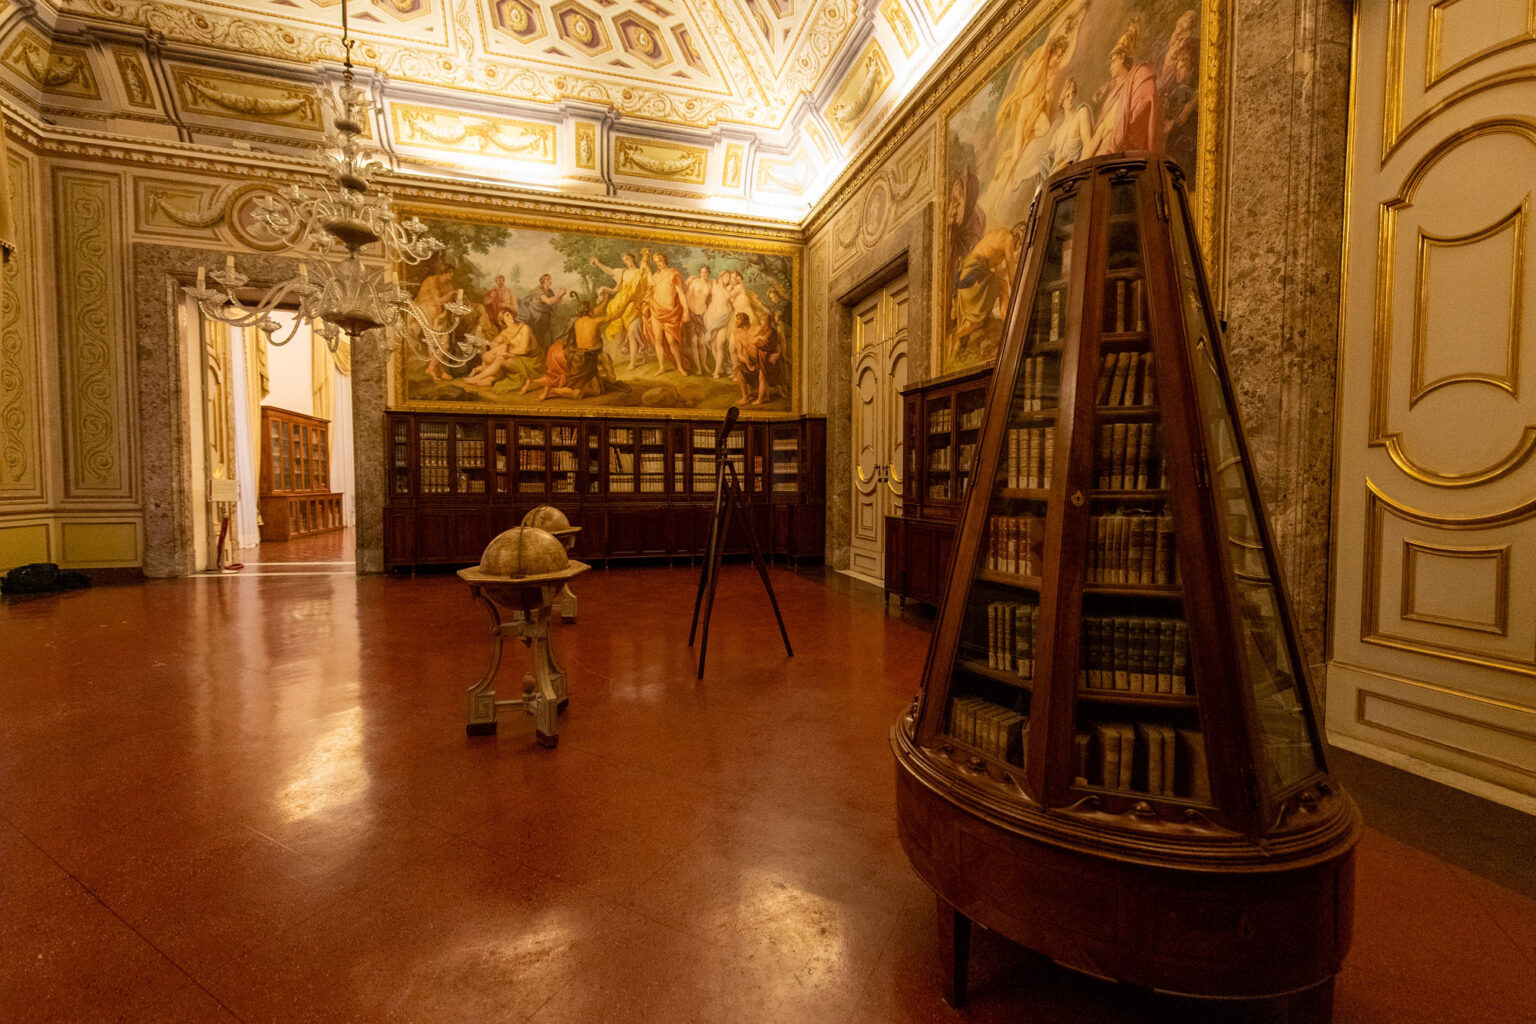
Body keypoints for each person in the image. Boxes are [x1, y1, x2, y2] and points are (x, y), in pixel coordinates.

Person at [1086, 22, 1162, 157]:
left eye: (1114, 61)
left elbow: (1141, 115)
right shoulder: (1113, 93)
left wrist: (1115, 142)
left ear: (1122, 59)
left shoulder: (1141, 75)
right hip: (1102, 156)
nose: (1110, 66)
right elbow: (1100, 133)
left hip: (1121, 156)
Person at [589, 251, 651, 369]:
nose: (626, 262)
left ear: (632, 258)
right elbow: (614, 285)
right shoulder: (622, 272)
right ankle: (645, 353)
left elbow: (644, 289)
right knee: (632, 332)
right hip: (622, 304)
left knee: (633, 332)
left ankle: (633, 362)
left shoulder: (640, 272)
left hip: (634, 304)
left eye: (627, 259)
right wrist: (604, 288)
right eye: (624, 260)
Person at [463, 311, 538, 388]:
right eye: (507, 315)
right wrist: (495, 345)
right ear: (503, 320)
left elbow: (523, 350)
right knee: (499, 357)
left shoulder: (524, 328)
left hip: (531, 360)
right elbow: (494, 343)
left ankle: (476, 378)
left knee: (500, 358)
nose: (511, 316)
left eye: (511, 314)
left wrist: (504, 352)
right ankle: (488, 379)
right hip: (516, 357)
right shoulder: (504, 333)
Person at [646, 252, 691, 374]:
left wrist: (686, 310)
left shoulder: (673, 274)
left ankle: (680, 367)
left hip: (669, 312)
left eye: (660, 261)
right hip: (655, 310)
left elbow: (681, 294)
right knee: (658, 340)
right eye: (656, 262)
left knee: (671, 341)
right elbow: (650, 288)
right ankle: (661, 367)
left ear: (665, 260)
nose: (658, 264)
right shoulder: (655, 276)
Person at [413, 266, 458, 381]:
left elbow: (449, 303)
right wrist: (451, 294)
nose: (452, 275)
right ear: (443, 272)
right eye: (450, 272)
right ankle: (439, 371)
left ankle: (432, 368)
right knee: (433, 343)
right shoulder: (432, 280)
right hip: (427, 311)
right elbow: (438, 301)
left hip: (440, 315)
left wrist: (457, 299)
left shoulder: (449, 285)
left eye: (452, 273)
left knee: (445, 344)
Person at [1044, 78, 1093, 174]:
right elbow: (1047, 160)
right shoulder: (1057, 132)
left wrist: (1080, 172)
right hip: (1056, 178)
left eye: (1073, 93)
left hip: (1073, 175)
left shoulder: (1081, 114)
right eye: (1067, 95)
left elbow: (1088, 145)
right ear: (1061, 100)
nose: (1071, 97)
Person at [523, 273, 568, 350]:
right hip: (537, 315)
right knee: (539, 335)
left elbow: (557, 302)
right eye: (548, 279)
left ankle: (548, 351)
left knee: (548, 334)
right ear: (543, 281)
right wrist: (558, 295)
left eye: (550, 279)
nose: (550, 281)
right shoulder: (539, 289)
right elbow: (548, 301)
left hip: (546, 315)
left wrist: (561, 295)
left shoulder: (550, 291)